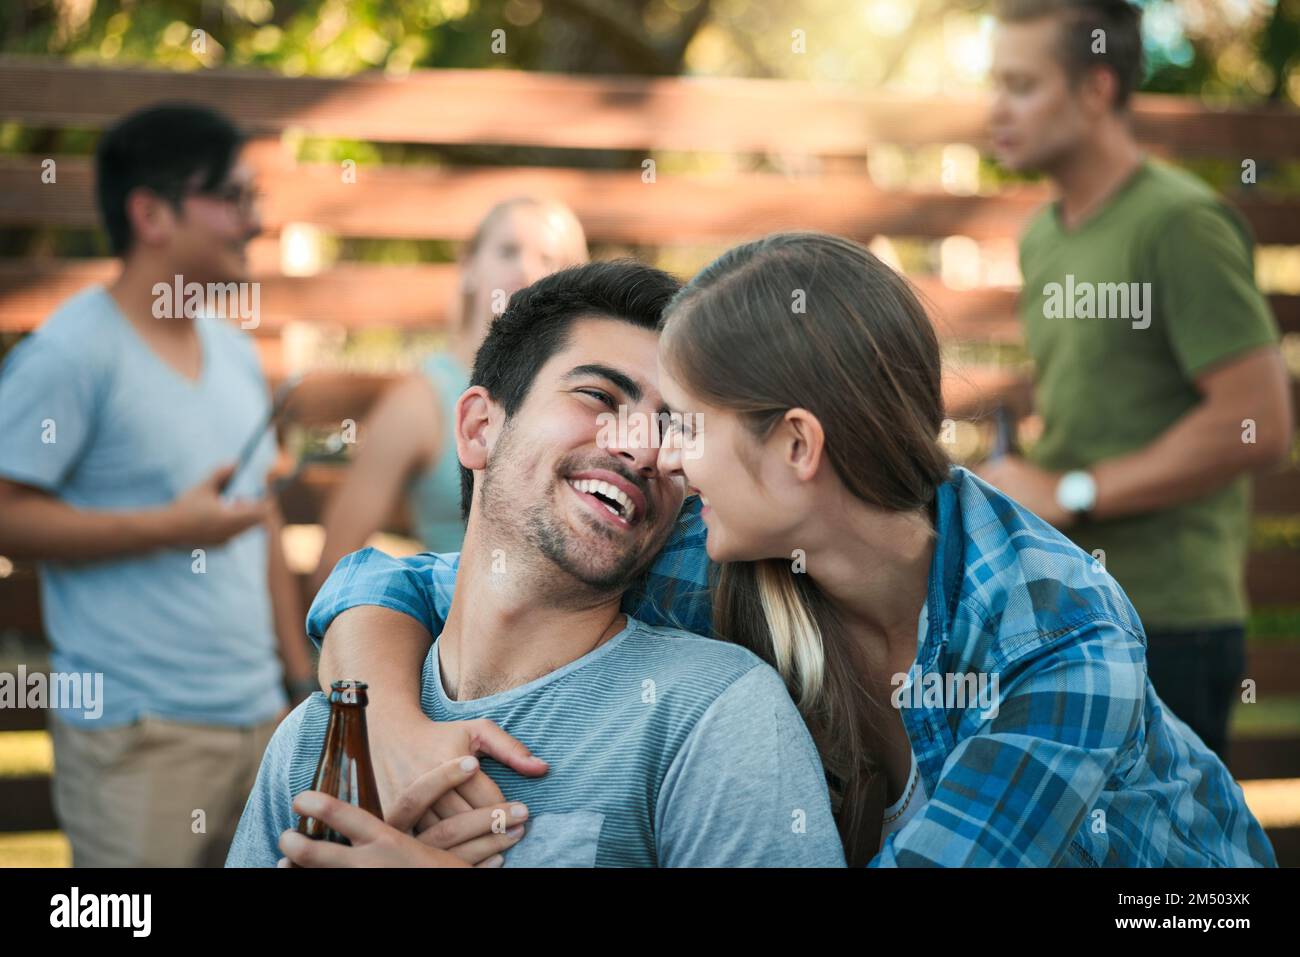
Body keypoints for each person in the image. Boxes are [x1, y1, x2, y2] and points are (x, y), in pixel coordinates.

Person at [311, 232, 1276, 867]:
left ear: (798, 447)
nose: (652, 451)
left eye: (683, 421)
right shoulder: (725, 550)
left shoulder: (1060, 639)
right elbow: (406, 579)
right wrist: (387, 718)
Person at [227, 260, 847, 868]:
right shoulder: (324, 737)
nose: (643, 448)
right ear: (478, 428)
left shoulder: (715, 716)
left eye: (673, 428)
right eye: (600, 396)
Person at [978, 0, 1293, 760]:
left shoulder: (1179, 223)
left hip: (1170, 627)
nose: (996, 109)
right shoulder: (1043, 236)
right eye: (996, 84)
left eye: (1021, 85)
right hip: (1070, 615)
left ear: (1096, 89)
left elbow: (1261, 420)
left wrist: (1074, 490)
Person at [0, 104, 313, 866]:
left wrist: (298, 682)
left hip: (261, 727)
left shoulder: (234, 354)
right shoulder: (72, 353)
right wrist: (171, 527)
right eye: (234, 198)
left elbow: (256, 516)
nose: (256, 220)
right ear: (151, 213)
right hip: (141, 739)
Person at [309, 198, 587, 593]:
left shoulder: (589, 400)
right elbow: (333, 570)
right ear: (469, 269)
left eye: (549, 258)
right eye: (508, 251)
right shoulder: (422, 400)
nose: (525, 270)